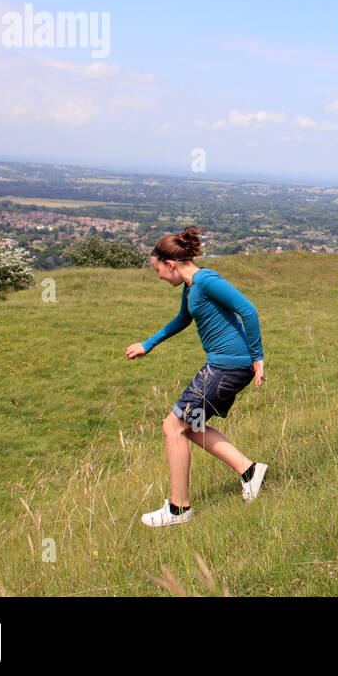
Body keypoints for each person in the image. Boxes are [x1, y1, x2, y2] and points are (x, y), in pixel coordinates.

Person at [124, 225, 268, 526]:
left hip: (228, 367)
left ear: (171, 264)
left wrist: (257, 358)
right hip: (225, 365)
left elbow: (248, 309)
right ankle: (250, 471)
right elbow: (182, 319)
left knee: (173, 426)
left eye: (158, 271)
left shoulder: (205, 281)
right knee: (191, 425)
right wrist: (147, 345)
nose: (160, 277)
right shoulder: (192, 287)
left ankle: (179, 510)